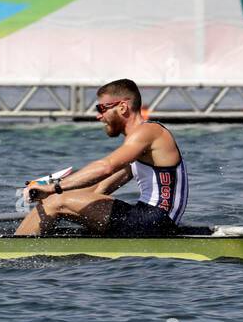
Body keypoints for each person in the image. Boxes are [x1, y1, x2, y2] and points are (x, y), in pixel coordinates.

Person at [16, 79, 189, 237]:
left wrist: (54, 189)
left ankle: (13, 251)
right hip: (150, 220)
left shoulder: (148, 131)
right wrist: (45, 193)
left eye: (101, 108)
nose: (99, 116)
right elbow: (100, 188)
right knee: (55, 201)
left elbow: (106, 166)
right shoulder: (138, 147)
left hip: (153, 222)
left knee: (56, 201)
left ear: (122, 107)